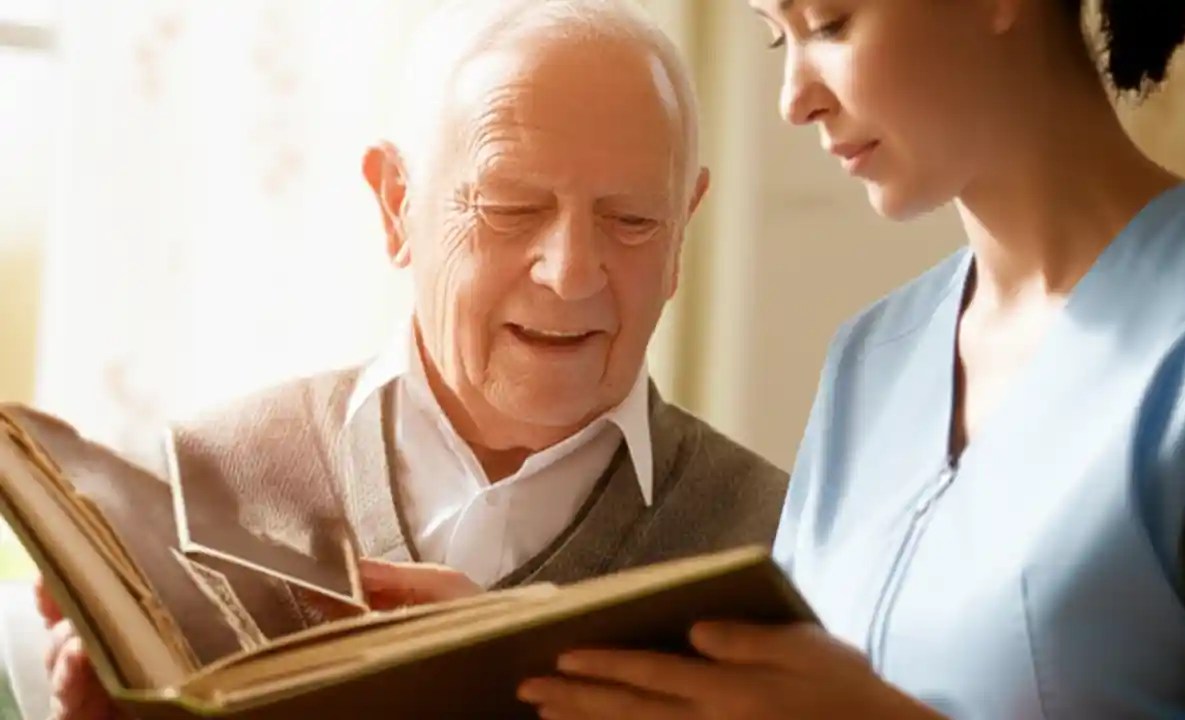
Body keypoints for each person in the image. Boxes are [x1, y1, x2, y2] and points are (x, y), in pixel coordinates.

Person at [515, 0, 1185, 718]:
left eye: (831, 23)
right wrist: (516, 645)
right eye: (780, 37)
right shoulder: (870, 364)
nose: (794, 100)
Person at [29, 2, 787, 718]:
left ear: (684, 227)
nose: (569, 271)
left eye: (631, 220)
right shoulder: (187, 491)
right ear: (397, 205)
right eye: (511, 207)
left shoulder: (789, 541)